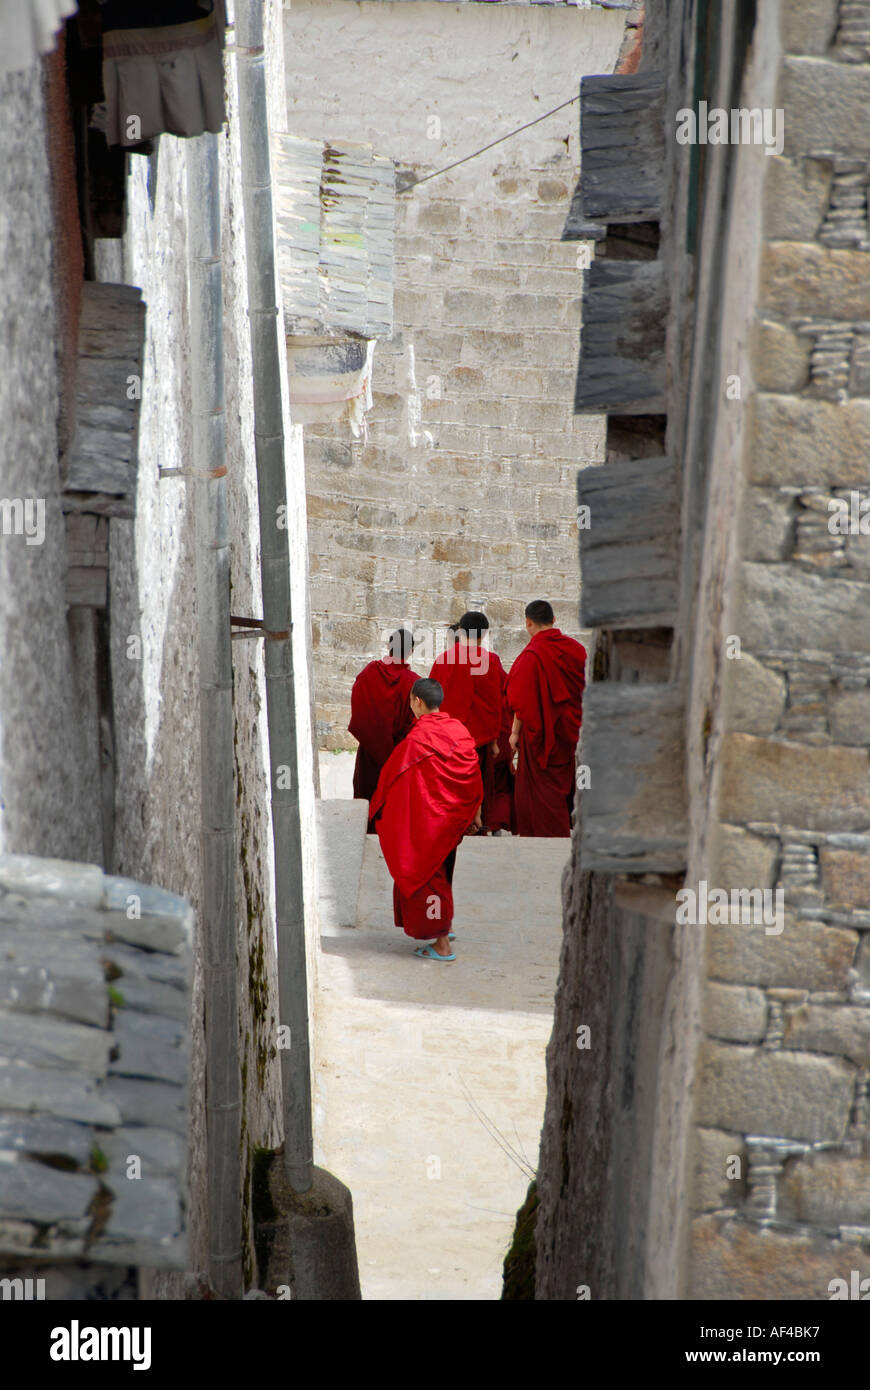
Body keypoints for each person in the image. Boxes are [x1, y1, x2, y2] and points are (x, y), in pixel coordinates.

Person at [370, 677, 483, 962]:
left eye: (411, 701)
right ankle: (445, 923)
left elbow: (393, 779)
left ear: (418, 702)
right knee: (442, 871)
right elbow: (472, 773)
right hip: (452, 817)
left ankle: (442, 942)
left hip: (430, 823)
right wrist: (474, 812)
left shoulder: (417, 740)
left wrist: (384, 811)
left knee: (428, 874)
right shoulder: (458, 730)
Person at [507, 600, 587, 837]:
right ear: (554, 620)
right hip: (572, 730)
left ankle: (547, 832)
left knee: (542, 789)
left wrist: (513, 733)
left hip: (541, 735)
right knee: (569, 782)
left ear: (528, 623)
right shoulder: (577, 650)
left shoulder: (530, 656)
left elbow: (519, 700)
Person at [429, 611, 506, 833]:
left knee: (451, 781)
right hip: (479, 739)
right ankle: (477, 822)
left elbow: (433, 700)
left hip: (449, 738)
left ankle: (452, 822)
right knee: (478, 779)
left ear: (460, 631)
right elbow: (495, 704)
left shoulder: (444, 660)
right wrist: (492, 740)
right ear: (484, 635)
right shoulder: (490, 661)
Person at [348, 628, 420, 832]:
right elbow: (415, 720)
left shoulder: (370, 671)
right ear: (411, 651)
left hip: (369, 750)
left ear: (389, 646)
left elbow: (358, 701)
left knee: (367, 792)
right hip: (396, 755)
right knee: (392, 800)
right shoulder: (413, 682)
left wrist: (371, 735)